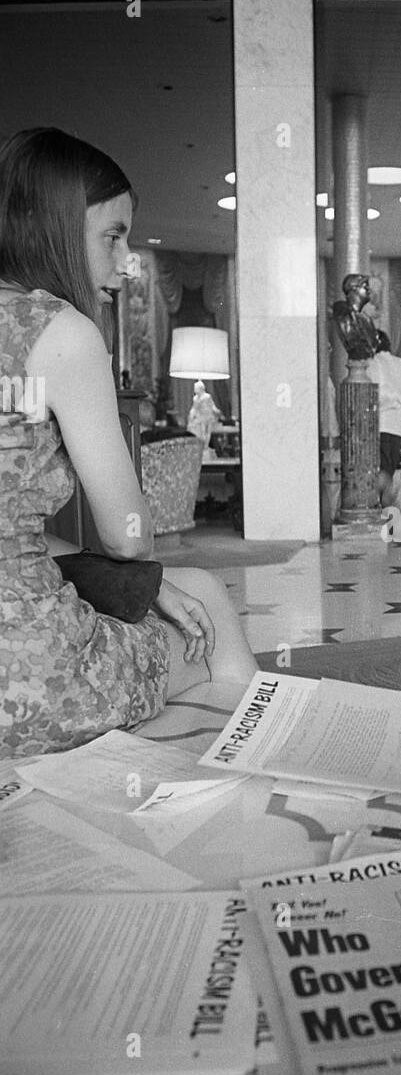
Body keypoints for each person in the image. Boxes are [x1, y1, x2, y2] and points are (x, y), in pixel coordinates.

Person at [0, 127, 257, 759]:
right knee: (206, 599)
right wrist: (148, 574)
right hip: (25, 677)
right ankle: (258, 773)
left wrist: (139, 585)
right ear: (54, 228)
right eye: (112, 235)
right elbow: (128, 536)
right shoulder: (61, 332)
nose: (126, 260)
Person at [367, 329, 401, 506]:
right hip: (397, 427)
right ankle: (389, 506)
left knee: (379, 470)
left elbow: (374, 394)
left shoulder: (373, 363)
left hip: (380, 424)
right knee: (389, 467)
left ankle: (383, 505)